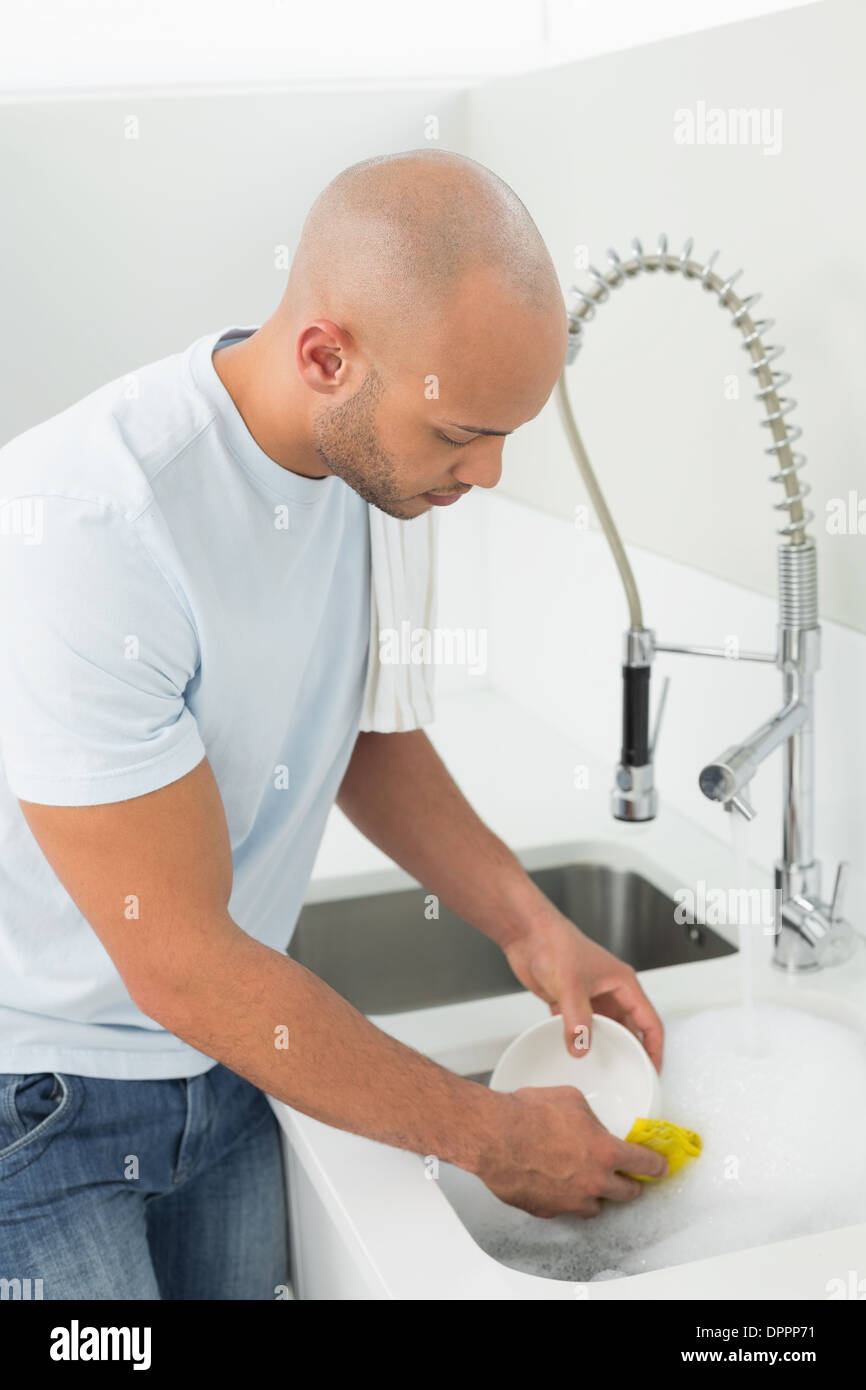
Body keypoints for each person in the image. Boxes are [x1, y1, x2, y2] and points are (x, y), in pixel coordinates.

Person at [0, 149, 667, 1301]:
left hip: (236, 1071)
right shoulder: (91, 525)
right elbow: (181, 963)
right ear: (325, 356)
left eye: (507, 432)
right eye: (464, 431)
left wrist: (529, 925)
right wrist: (491, 1135)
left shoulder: (385, 475)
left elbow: (364, 726)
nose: (488, 471)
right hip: (45, 1102)